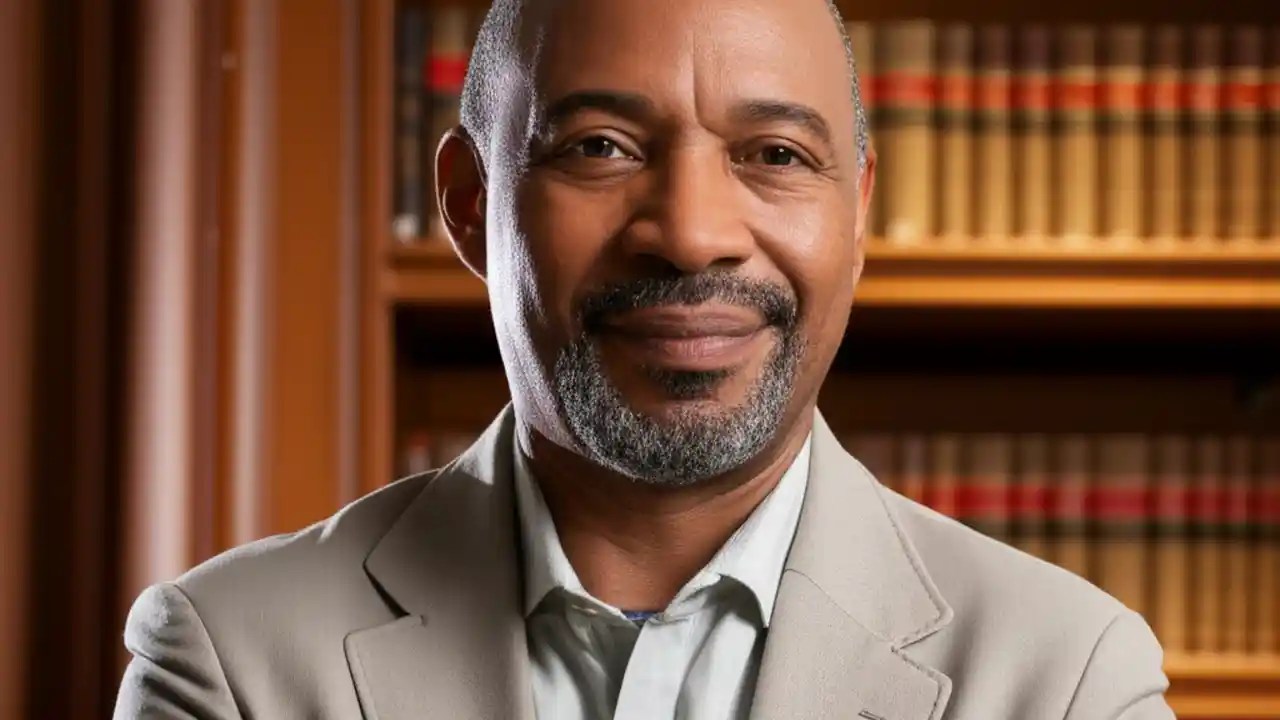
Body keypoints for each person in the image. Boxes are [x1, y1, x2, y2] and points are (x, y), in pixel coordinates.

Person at [115, 0, 1174, 717]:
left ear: (856, 213)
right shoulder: (233, 663)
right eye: (600, 149)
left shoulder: (1066, 681)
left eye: (774, 155)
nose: (692, 234)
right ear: (470, 204)